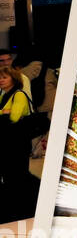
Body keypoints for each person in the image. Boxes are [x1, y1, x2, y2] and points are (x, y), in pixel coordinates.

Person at [0, 66, 35, 200]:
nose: (1, 80)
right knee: (9, 173)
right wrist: (4, 112)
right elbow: (7, 115)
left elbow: (14, 117)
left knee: (17, 174)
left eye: (4, 77)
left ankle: (21, 203)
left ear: (14, 79)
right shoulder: (4, 96)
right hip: (7, 142)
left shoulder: (19, 95)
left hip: (18, 142)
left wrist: (5, 113)